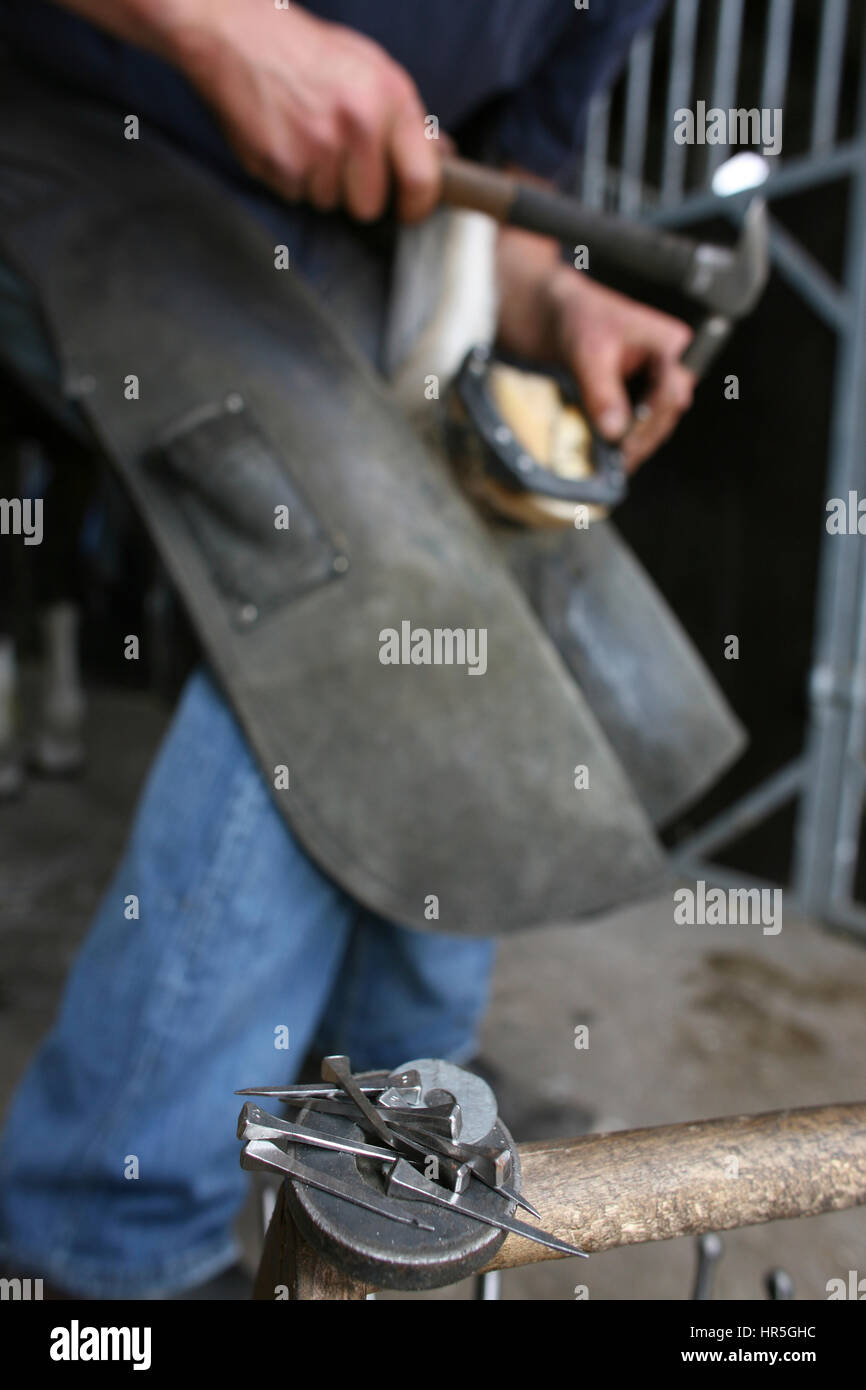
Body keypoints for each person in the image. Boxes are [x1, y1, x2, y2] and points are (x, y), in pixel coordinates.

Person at [0, 0, 696, 1298]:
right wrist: (226, 29)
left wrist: (563, 303)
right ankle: (105, 1236)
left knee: (488, 511)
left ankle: (389, 1103)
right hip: (62, 131)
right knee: (349, 580)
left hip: (310, 240)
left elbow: (492, 213)